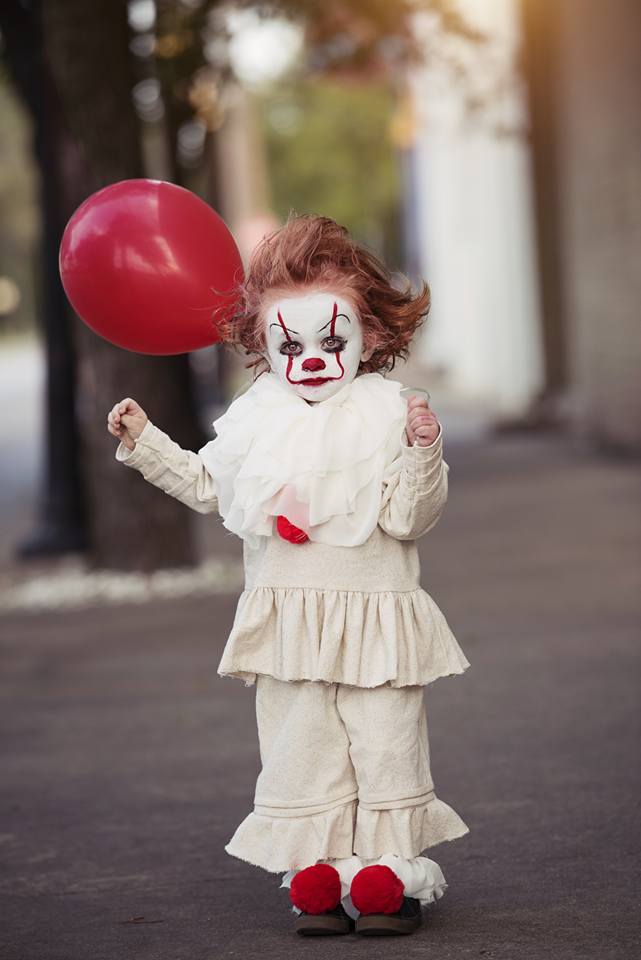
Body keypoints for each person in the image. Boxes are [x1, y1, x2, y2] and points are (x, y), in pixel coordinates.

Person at [107, 215, 471, 937]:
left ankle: (388, 874)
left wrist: (421, 453)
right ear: (262, 343)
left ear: (370, 336)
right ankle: (321, 870)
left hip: (374, 616)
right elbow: (210, 489)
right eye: (290, 344)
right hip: (290, 625)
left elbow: (408, 519)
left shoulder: (389, 413)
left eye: (332, 342)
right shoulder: (255, 421)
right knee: (303, 749)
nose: (311, 360)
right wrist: (146, 443)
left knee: (385, 745)